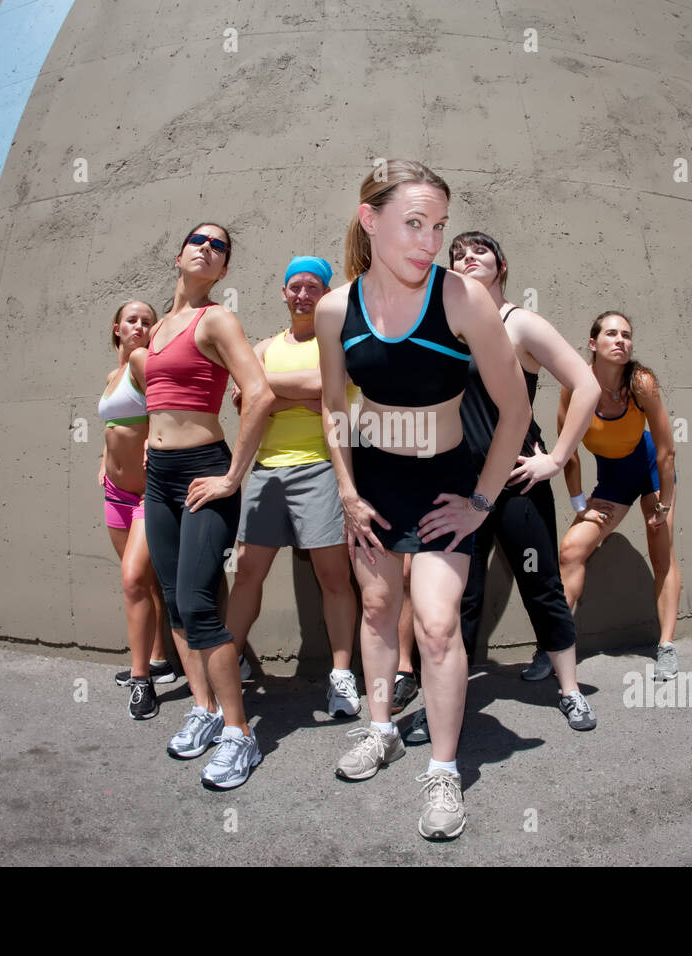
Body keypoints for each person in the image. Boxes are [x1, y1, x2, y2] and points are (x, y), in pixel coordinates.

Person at [315, 161, 531, 840]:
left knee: (436, 626)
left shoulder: (464, 298)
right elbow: (331, 408)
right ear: (369, 219)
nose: (430, 241)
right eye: (414, 223)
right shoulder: (333, 309)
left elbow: (517, 409)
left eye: (438, 225)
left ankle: (442, 770)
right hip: (374, 482)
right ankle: (380, 730)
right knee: (378, 610)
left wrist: (481, 501)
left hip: (445, 483)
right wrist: (347, 492)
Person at [403, 231, 602, 738]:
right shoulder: (447, 327)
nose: (467, 259)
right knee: (456, 600)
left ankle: (570, 690)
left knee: (542, 586)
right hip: (455, 488)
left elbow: (587, 384)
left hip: (515, 482)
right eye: (459, 255)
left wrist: (556, 459)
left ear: (502, 265)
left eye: (479, 253)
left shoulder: (520, 323)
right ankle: (441, 706)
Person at [130, 223, 274, 790]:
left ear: (223, 271)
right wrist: (150, 440)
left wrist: (233, 475)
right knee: (174, 600)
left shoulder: (216, 319)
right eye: (199, 240)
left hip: (203, 472)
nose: (208, 248)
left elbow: (258, 393)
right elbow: (158, 400)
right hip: (160, 477)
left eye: (220, 248)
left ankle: (241, 735)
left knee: (198, 600)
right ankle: (206, 709)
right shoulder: (158, 331)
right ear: (179, 254)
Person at [225, 256, 361, 718]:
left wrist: (269, 391)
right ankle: (230, 662)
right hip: (265, 472)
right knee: (246, 574)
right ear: (284, 293)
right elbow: (247, 402)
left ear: (325, 294)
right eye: (295, 287)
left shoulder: (337, 342)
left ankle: (341, 676)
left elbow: (331, 387)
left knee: (334, 579)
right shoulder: (262, 348)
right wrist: (297, 391)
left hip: (322, 468)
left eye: (313, 287)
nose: (303, 294)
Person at [558, 311, 681, 681]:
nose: (620, 340)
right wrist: (580, 505)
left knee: (662, 556)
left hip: (651, 470)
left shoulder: (640, 383)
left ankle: (667, 646)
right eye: (611, 334)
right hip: (613, 480)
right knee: (570, 551)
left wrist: (664, 503)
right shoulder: (576, 386)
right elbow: (568, 453)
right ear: (593, 344)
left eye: (626, 335)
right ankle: (556, 647)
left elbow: (666, 451)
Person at [97, 300, 177, 720]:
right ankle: (159, 659)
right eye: (132, 320)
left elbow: (164, 410)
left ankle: (140, 678)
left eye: (147, 321)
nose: (140, 326)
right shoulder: (114, 375)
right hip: (116, 493)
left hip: (149, 494)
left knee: (132, 581)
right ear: (117, 328)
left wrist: (153, 440)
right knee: (144, 584)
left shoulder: (144, 362)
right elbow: (113, 427)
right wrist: (103, 463)